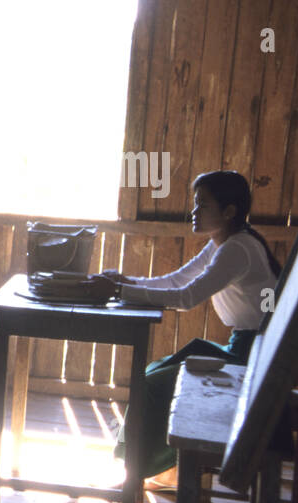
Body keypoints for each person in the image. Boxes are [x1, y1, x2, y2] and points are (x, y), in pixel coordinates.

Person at [86, 170, 282, 485]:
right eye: (195, 204)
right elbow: (179, 279)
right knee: (153, 371)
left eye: (203, 205)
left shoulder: (237, 248)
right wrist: (127, 282)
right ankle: (149, 471)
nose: (194, 212)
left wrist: (119, 291)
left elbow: (186, 297)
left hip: (252, 356)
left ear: (229, 211)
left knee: (153, 386)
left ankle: (135, 476)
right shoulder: (225, 241)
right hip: (245, 347)